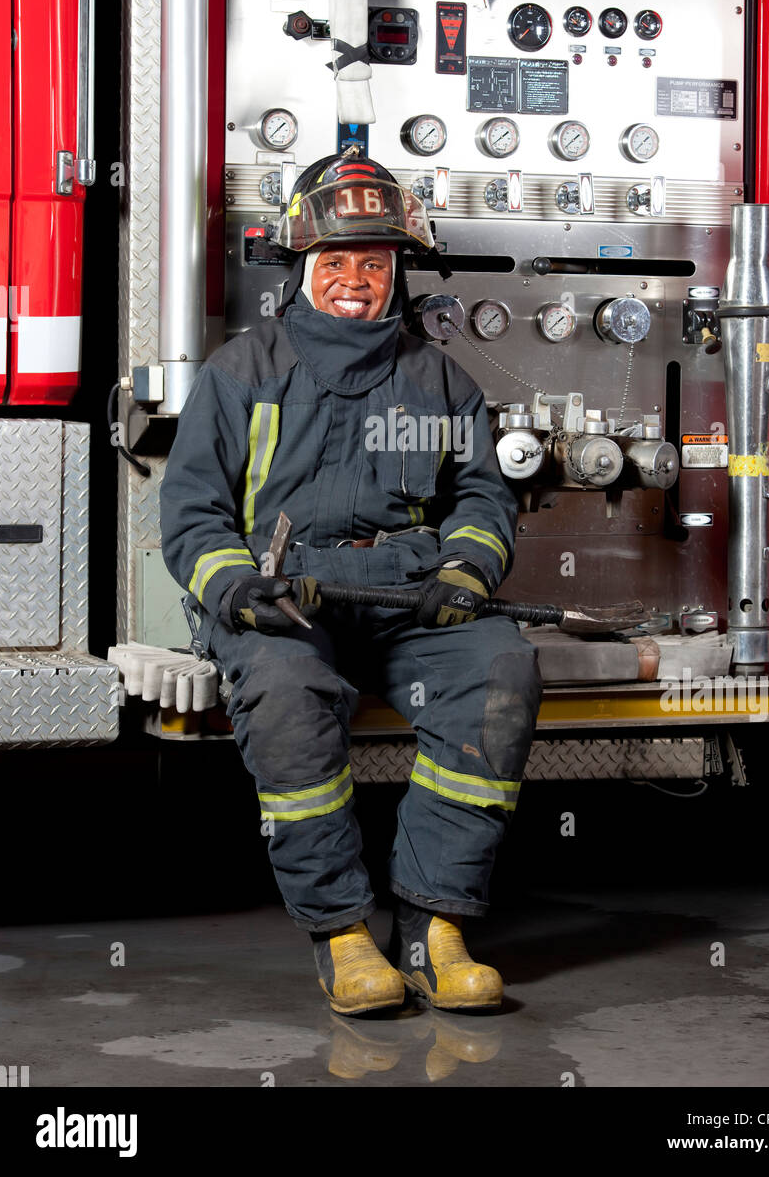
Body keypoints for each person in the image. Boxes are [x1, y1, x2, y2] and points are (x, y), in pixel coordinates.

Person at [160, 149, 542, 1015]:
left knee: (498, 673)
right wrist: (234, 590)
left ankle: (434, 926)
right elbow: (190, 514)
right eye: (335, 261)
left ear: (398, 271)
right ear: (303, 268)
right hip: (282, 596)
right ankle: (342, 934)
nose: (355, 280)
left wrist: (467, 568)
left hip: (410, 594)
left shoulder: (439, 378)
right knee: (287, 692)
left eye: (375, 262)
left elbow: (481, 493)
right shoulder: (241, 372)